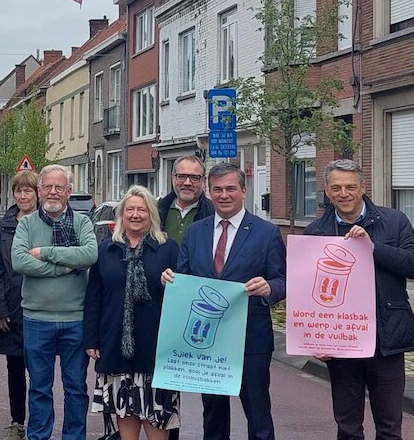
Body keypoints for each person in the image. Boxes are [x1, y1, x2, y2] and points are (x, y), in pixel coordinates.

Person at [160, 162, 285, 440]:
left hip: (250, 338)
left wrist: (269, 288)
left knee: (257, 412)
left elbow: (282, 281)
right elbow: (185, 277)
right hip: (209, 339)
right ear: (209, 191)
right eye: (217, 189)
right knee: (213, 414)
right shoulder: (196, 232)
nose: (224, 195)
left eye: (230, 189)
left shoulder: (266, 232)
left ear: (243, 191)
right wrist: (171, 280)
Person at [304, 159, 414, 440]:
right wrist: (314, 338)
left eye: (350, 187)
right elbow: (307, 289)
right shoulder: (315, 232)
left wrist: (373, 248)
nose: (343, 193)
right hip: (341, 340)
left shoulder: (394, 221)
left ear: (363, 187)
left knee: (389, 427)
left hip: (385, 338)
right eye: (336, 188)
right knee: (347, 427)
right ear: (326, 191)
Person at [85, 186, 180, 440]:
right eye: (130, 210)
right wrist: (92, 339)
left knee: (157, 424)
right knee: (125, 423)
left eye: (142, 210)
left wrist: (173, 282)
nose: (135, 215)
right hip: (116, 347)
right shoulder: (107, 249)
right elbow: (94, 296)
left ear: (152, 215)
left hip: (155, 349)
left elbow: (183, 295)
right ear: (121, 214)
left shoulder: (168, 249)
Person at [12, 164, 99, 440]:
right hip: (37, 318)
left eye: (59, 187)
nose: (53, 192)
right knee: (39, 387)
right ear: (39, 191)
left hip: (75, 318)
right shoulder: (27, 223)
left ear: (68, 191)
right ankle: (39, 436)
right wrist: (64, 267)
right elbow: (19, 261)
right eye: (47, 187)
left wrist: (47, 252)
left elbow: (89, 255)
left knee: (76, 388)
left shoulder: (82, 223)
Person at [0, 171, 39, 440]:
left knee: (39, 371)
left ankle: (39, 424)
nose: (23, 196)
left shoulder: (46, 222)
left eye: (28, 190)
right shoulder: (5, 225)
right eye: (18, 191)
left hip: (40, 307)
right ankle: (17, 422)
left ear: (37, 193)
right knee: (15, 369)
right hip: (11, 307)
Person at [157, 156, 215, 244]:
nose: (187, 183)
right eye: (181, 176)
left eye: (194, 178)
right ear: (173, 178)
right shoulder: (155, 211)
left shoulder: (213, 213)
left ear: (203, 181)